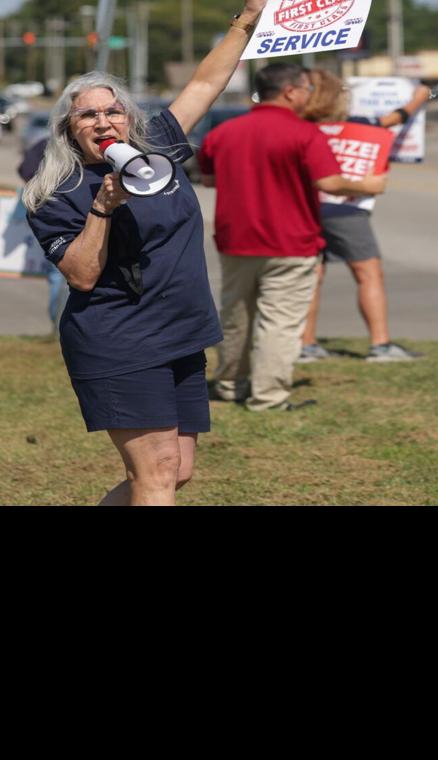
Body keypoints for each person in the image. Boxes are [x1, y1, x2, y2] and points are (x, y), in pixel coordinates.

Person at [24, 1, 271, 506]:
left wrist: (246, 21)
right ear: (69, 128)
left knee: (174, 472)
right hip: (120, 340)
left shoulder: (156, 148)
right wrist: (102, 208)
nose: (102, 120)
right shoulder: (54, 192)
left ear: (128, 118)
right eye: (87, 113)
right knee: (156, 474)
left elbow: (204, 85)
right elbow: (83, 275)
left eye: (112, 110)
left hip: (180, 331)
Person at [197, 62, 388, 411]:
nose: (309, 95)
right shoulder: (304, 134)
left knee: (236, 316)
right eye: (306, 89)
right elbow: (329, 182)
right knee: (280, 322)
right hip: (291, 241)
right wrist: (368, 185)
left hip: (236, 239)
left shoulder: (223, 133)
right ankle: (269, 396)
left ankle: (229, 385)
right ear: (290, 91)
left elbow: (209, 179)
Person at [295, 70, 431, 364]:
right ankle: (380, 345)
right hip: (346, 208)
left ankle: (306, 344)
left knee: (312, 276)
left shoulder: (301, 128)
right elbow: (393, 119)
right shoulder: (356, 125)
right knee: (368, 272)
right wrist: (418, 98)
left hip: (306, 207)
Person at [17, 136, 69, 330]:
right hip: (60, 216)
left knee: (57, 274)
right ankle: (59, 323)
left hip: (51, 213)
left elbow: (24, 169)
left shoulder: (45, 142)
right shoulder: (50, 145)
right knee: (60, 273)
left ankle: (58, 324)